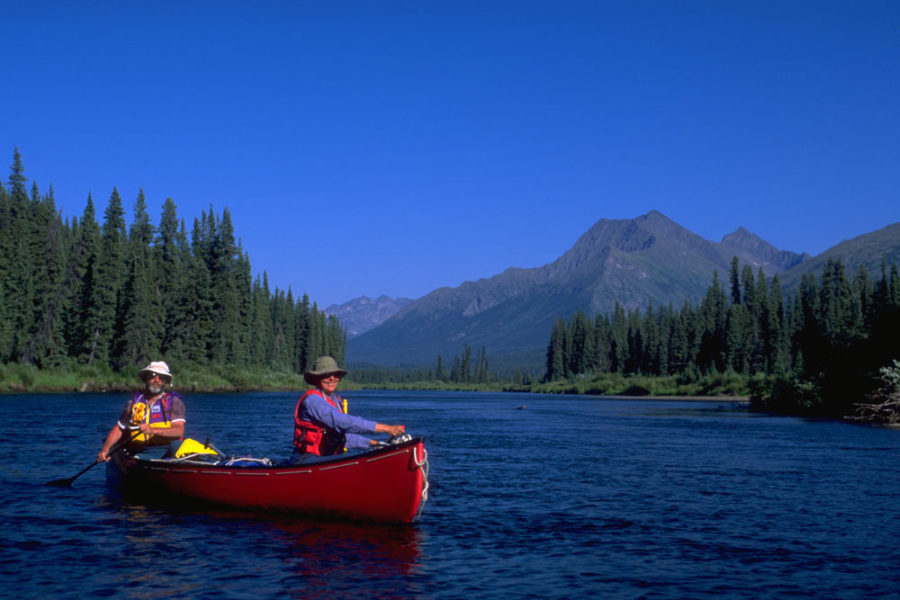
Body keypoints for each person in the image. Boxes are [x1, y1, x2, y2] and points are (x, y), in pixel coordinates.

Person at [291, 356, 405, 461]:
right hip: (307, 458)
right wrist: (386, 428)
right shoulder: (312, 401)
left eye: (336, 375)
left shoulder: (334, 401)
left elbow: (344, 437)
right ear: (317, 378)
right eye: (326, 375)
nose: (332, 378)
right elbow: (343, 422)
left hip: (326, 457)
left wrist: (376, 444)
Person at [97, 361, 186, 462]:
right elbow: (119, 429)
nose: (156, 380)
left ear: (165, 381)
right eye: (152, 376)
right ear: (145, 379)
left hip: (166, 448)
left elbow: (179, 430)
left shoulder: (175, 402)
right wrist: (105, 450)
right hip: (142, 450)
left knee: (178, 446)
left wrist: (152, 430)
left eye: (161, 377)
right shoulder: (134, 403)